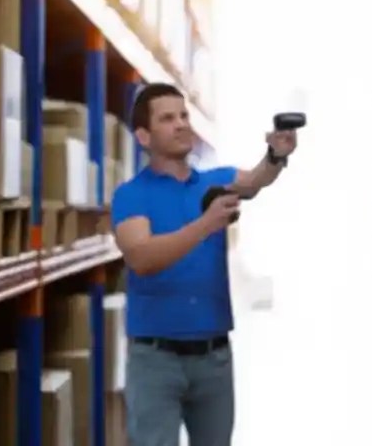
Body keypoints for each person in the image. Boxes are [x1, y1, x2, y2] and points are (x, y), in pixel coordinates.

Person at [110, 82, 298, 446]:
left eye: (184, 115)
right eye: (168, 118)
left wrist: (276, 155)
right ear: (144, 136)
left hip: (214, 360)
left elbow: (256, 180)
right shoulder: (131, 195)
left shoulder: (214, 182)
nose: (181, 124)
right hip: (155, 362)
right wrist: (205, 225)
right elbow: (141, 257)